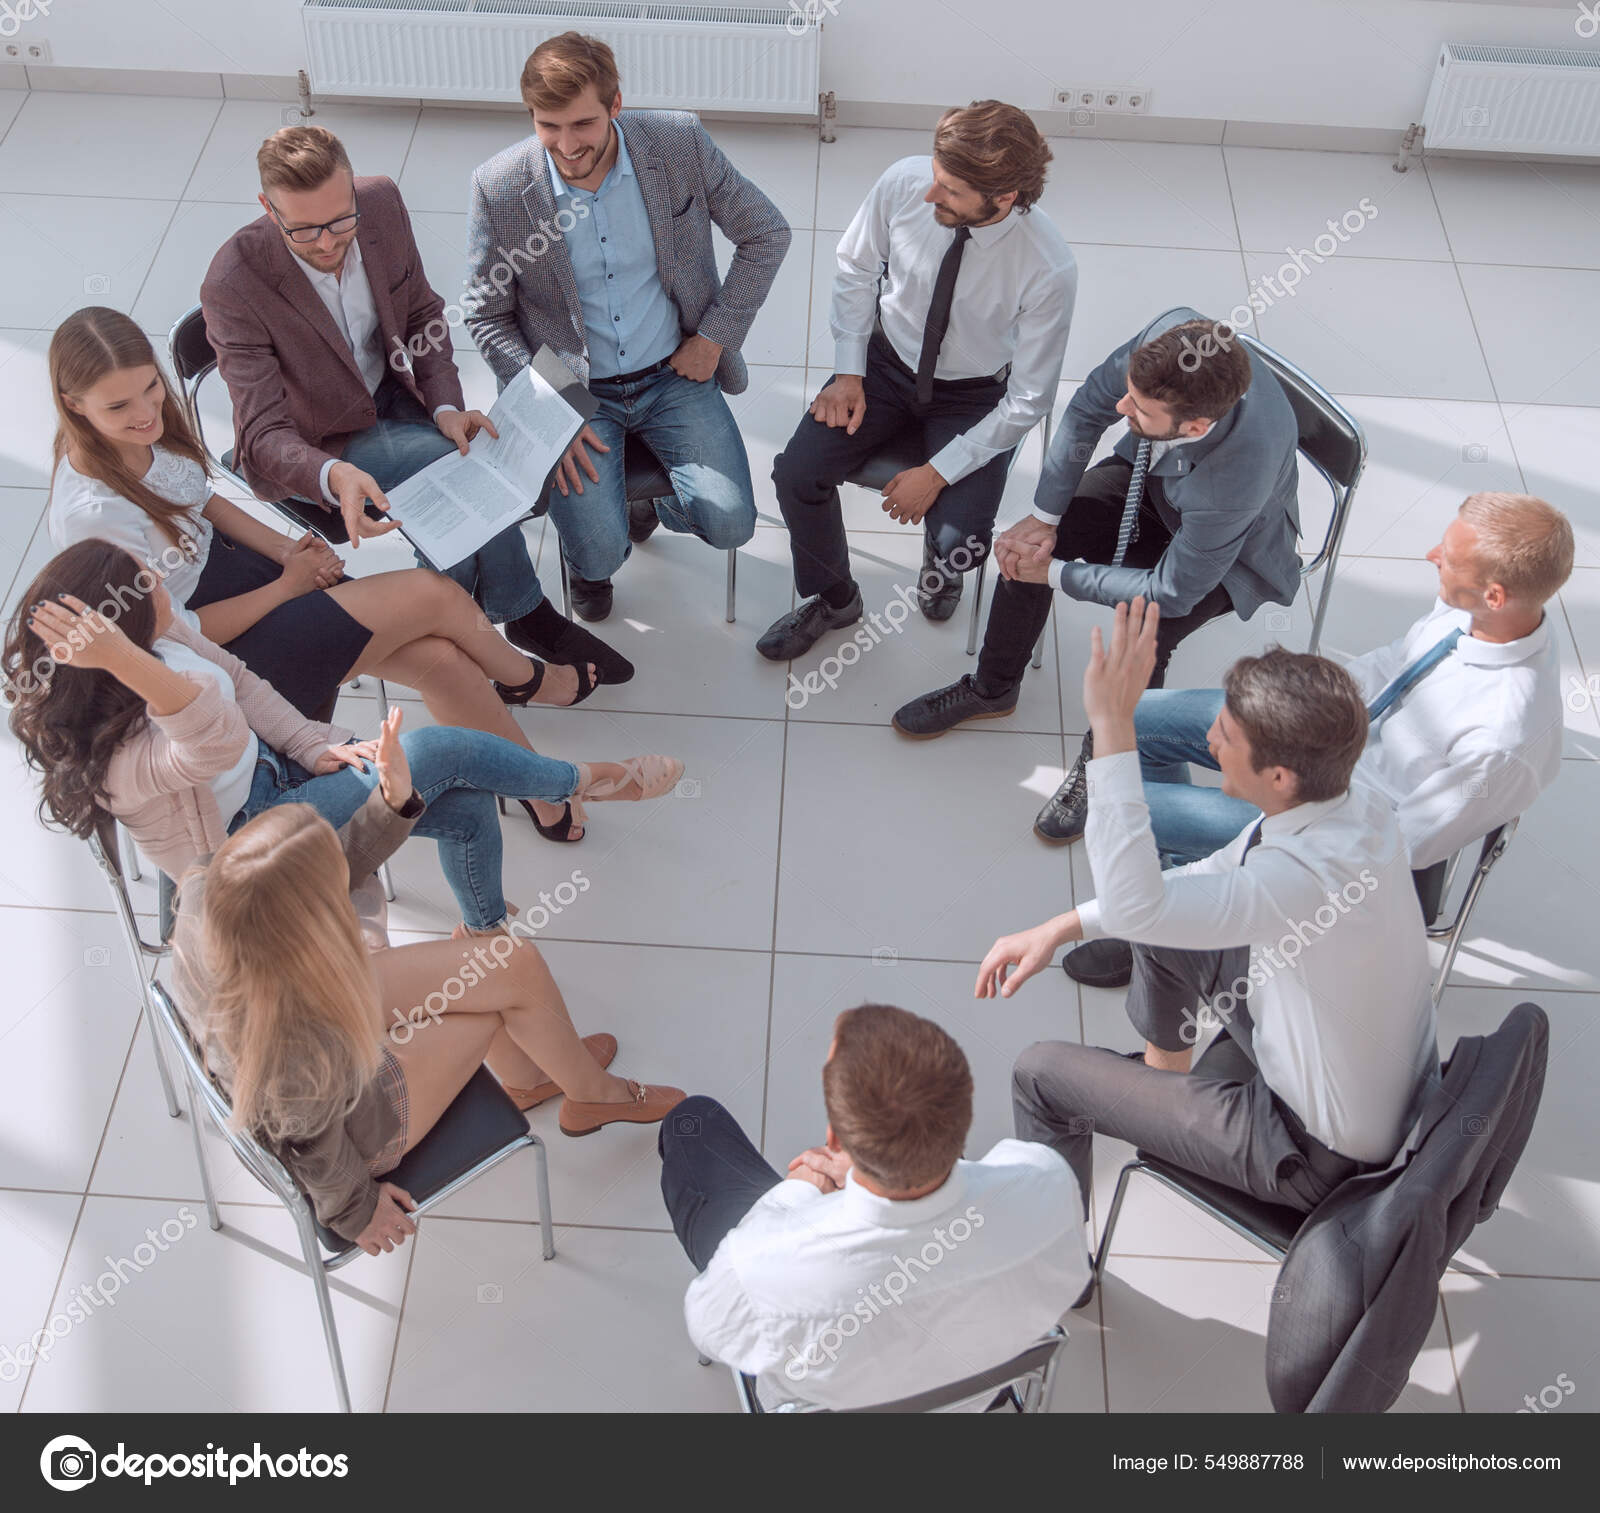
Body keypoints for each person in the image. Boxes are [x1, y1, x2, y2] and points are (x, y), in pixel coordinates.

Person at [981, 600, 1435, 1307]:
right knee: (1163, 924)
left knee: (1040, 1073)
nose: (1209, 739)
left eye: (1223, 735)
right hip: (1365, 1083)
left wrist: (1113, 726)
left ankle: (1056, 1271)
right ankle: (1167, 1082)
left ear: (1279, 775)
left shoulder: (1303, 880)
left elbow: (1140, 901)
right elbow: (1202, 880)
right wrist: (1064, 925)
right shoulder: (1359, 805)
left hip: (1308, 1149)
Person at [6, 543, 685, 941]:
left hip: (283, 773)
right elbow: (209, 740)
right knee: (437, 752)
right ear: (115, 644)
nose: (158, 582)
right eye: (143, 585)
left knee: (466, 802)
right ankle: (585, 780)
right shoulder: (114, 760)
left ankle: (483, 941)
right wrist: (128, 660)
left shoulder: (164, 631)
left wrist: (312, 744)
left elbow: (239, 682)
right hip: (251, 847)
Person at [1059, 492, 1575, 989]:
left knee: (1127, 811)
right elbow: (1387, 666)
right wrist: (1293, 712)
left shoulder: (1506, 735)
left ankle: (1169, 925)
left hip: (1336, 822)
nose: (1431, 555)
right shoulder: (1473, 612)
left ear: (1495, 595)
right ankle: (1181, 890)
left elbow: (1399, 846)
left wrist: (1290, 803)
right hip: (1327, 734)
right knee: (1137, 715)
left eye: (1450, 558)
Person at [201, 125, 631, 687]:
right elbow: (260, 434)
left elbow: (424, 313)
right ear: (267, 206)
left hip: (397, 396)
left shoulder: (380, 203)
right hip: (320, 440)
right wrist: (333, 473)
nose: (329, 244)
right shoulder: (233, 282)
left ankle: (468, 645)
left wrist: (446, 406)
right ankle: (522, 619)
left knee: (470, 457)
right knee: (456, 471)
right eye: (304, 231)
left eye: (340, 221)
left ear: (354, 189)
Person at [46, 306, 601, 737]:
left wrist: (287, 550)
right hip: (211, 653)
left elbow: (201, 500)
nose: (145, 413)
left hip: (241, 579)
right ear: (74, 405)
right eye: (118, 408)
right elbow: (170, 634)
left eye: (149, 389)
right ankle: (528, 680)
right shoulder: (95, 517)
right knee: (436, 595)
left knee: (444, 661)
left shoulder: (147, 432)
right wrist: (286, 586)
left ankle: (542, 792)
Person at [172, 801, 684, 1253]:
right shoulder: (292, 1053)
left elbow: (314, 873)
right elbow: (312, 1144)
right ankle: (585, 1090)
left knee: (507, 963)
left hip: (303, 1005)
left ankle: (541, 1079)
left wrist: (390, 806)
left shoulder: (210, 887)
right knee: (489, 1001)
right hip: (359, 1121)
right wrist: (356, 1211)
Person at [893, 311, 1301, 818]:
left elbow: (1173, 590)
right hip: (1150, 477)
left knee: (1149, 629)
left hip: (1228, 550)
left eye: (1139, 410)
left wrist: (1059, 575)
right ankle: (992, 689)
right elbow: (1088, 409)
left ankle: (1106, 762)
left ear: (1194, 426)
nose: (1122, 406)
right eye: (1130, 393)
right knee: (1028, 550)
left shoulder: (1237, 477)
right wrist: (1043, 520)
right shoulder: (1169, 338)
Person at [465, 32, 785, 623]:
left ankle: (649, 508)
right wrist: (554, 404)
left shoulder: (677, 142)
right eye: (548, 126)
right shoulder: (502, 186)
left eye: (582, 124)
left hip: (674, 374)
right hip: (574, 394)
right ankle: (594, 555)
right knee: (600, 552)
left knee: (731, 523)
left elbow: (767, 231)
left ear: (616, 104)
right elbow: (485, 314)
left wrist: (714, 336)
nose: (566, 145)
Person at [758, 101, 1076, 658]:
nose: (930, 195)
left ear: (1003, 198)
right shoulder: (905, 182)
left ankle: (940, 562)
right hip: (881, 367)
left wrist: (936, 473)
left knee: (962, 545)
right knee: (796, 474)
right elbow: (856, 268)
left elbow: (1029, 398)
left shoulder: (1048, 268)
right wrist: (849, 371)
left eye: (950, 191)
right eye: (935, 177)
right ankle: (835, 600)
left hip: (972, 396)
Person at [659, 1003, 1088, 1411]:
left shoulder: (759, 1267)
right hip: (974, 1399)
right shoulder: (1045, 1182)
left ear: (833, 1138)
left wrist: (799, 1191)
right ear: (963, 1120)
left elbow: (709, 1323)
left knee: (692, 1119)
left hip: (815, 1404)